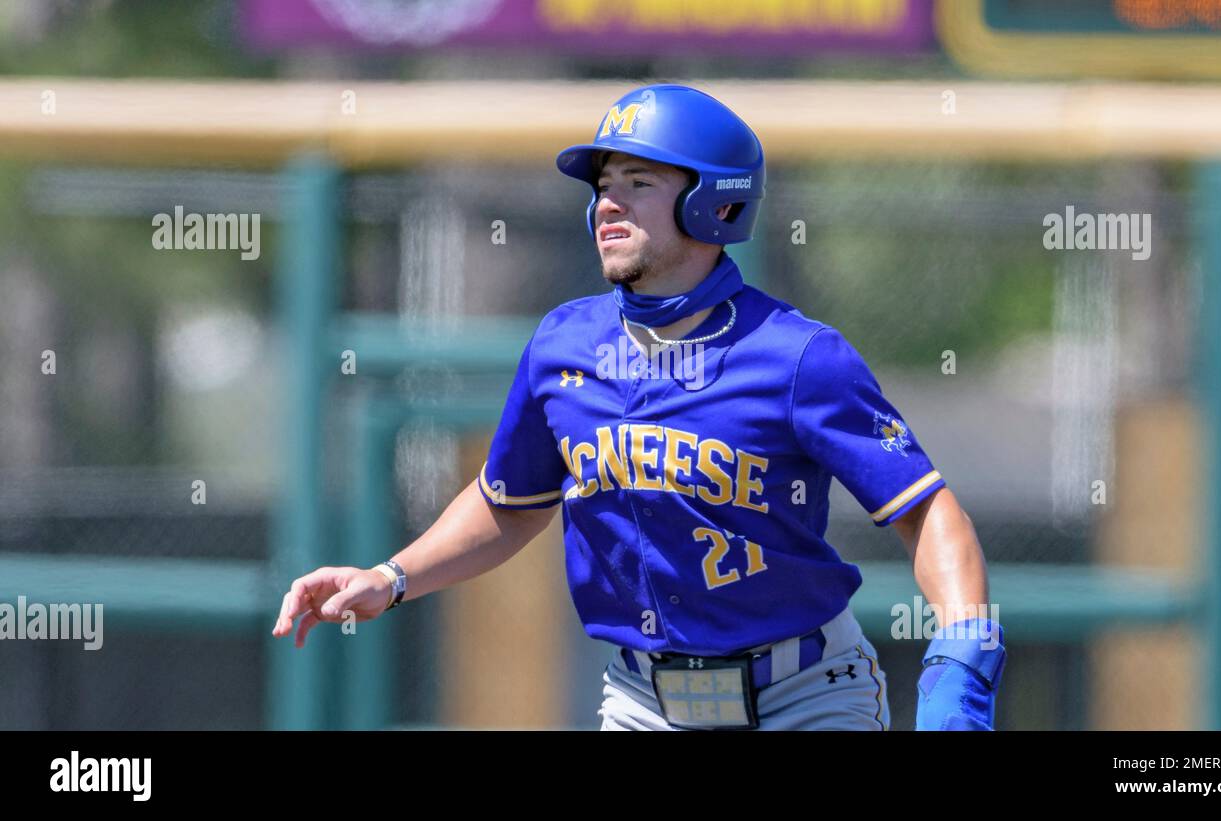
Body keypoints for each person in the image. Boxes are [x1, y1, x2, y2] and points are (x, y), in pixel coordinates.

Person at [271, 84, 1005, 731]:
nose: (607, 203)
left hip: (803, 696)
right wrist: (391, 576)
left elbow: (923, 507)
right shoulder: (565, 344)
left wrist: (963, 648)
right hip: (642, 702)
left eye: (638, 181)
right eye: (602, 185)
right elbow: (511, 501)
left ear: (712, 202)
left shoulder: (797, 356)